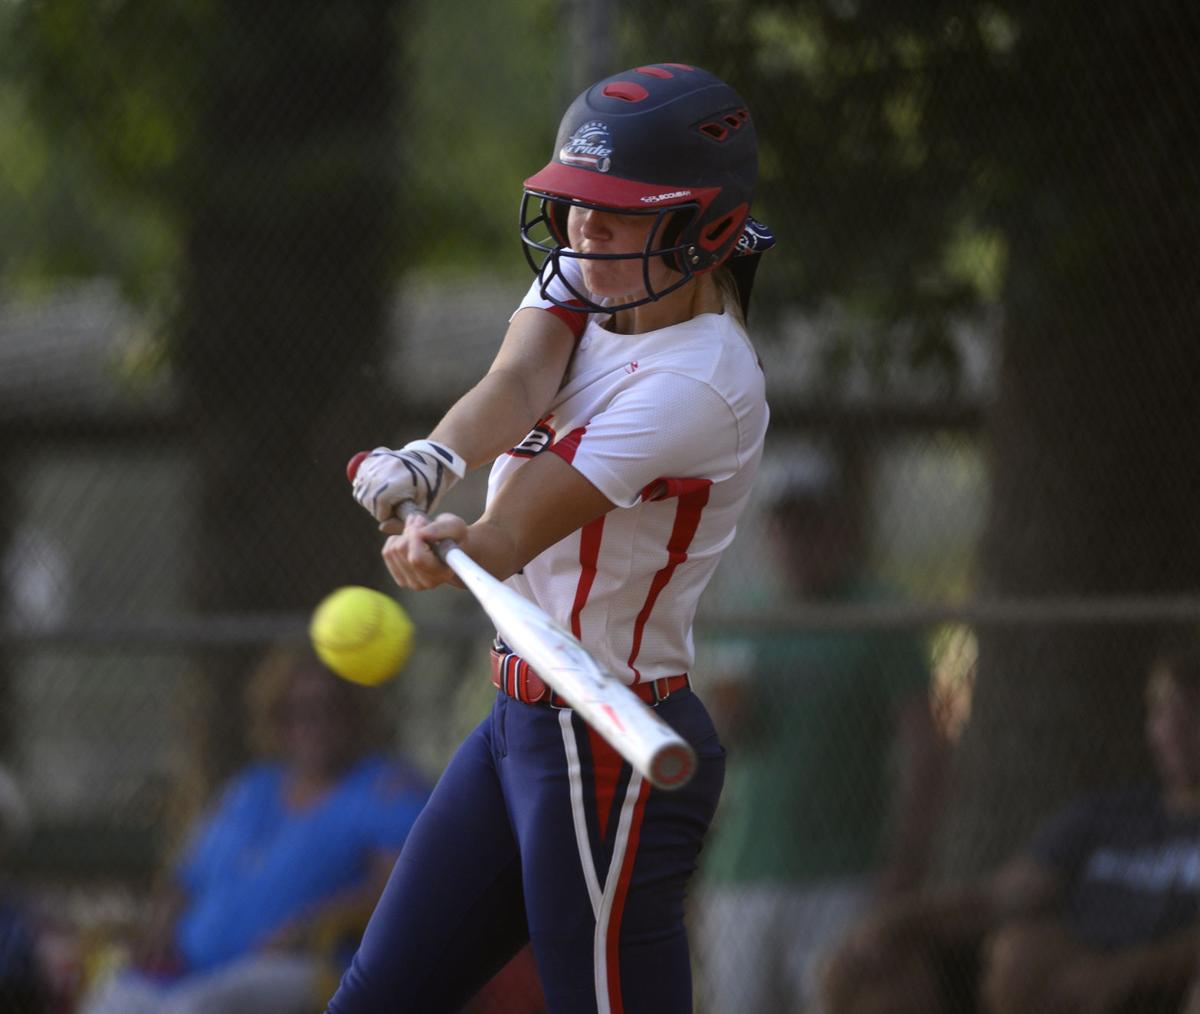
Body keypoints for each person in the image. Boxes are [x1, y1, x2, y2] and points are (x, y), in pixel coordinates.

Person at [330, 63, 771, 1013]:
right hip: (517, 722)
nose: (582, 230)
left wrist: (448, 545)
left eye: (614, 213)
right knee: (376, 996)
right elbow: (520, 384)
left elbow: (513, 535)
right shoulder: (597, 274)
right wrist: (428, 459)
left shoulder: (698, 384)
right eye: (573, 203)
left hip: (604, 739)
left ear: (709, 230)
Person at [822, 638, 1200, 1014]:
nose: (1177, 732)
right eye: (1167, 715)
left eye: (1192, 717)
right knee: (864, 969)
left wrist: (1122, 972)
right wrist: (902, 919)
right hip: (1069, 971)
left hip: (1164, 984)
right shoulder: (1109, 814)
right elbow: (1002, 896)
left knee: (1023, 957)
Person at [695, 450, 947, 1014]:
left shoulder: (879, 613)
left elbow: (923, 746)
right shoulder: (747, 615)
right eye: (783, 525)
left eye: (809, 524)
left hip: (845, 872)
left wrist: (904, 868)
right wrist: (725, 724)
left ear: (836, 526)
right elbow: (713, 740)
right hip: (744, 869)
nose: (795, 540)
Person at [81, 645, 429, 1014]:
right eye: (296, 712)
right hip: (191, 966)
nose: (313, 725)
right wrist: (159, 923)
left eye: (329, 708)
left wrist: (313, 923)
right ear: (276, 720)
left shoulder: (384, 788)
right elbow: (184, 879)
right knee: (112, 1002)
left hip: (302, 963)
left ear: (355, 715)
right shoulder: (250, 790)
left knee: (194, 1009)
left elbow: (402, 892)